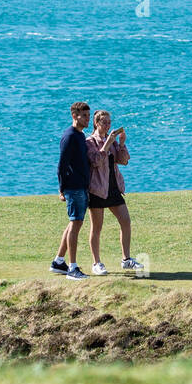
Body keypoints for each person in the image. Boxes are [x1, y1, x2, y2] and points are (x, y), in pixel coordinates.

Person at [86, 110, 142, 274]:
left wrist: (122, 143)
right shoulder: (90, 142)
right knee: (97, 227)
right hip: (97, 188)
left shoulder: (111, 142)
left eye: (109, 122)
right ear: (96, 123)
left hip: (113, 188)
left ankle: (126, 259)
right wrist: (107, 143)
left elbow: (123, 161)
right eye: (104, 122)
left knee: (126, 221)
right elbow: (95, 161)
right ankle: (96, 263)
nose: (108, 125)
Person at [51, 101, 92, 279]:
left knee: (74, 223)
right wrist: (62, 189)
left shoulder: (80, 135)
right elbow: (61, 166)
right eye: (84, 116)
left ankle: (59, 262)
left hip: (81, 186)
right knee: (75, 224)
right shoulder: (69, 136)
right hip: (73, 188)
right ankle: (72, 268)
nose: (87, 119)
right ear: (74, 116)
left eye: (88, 115)